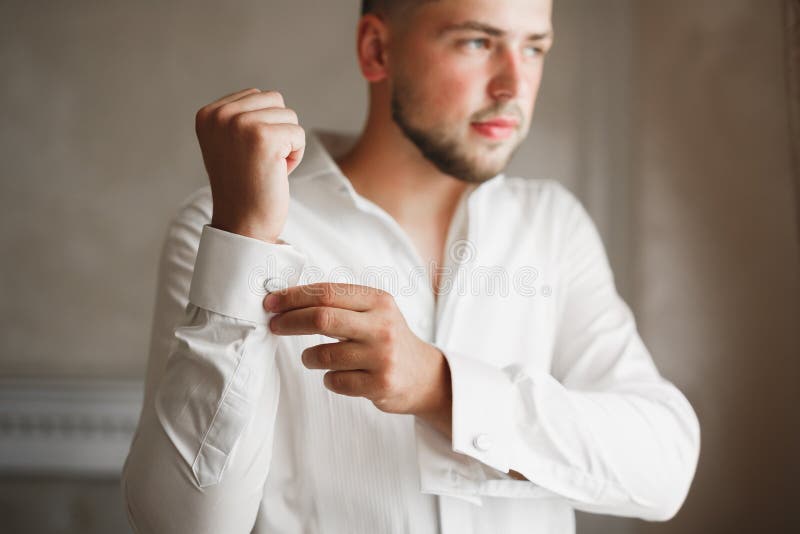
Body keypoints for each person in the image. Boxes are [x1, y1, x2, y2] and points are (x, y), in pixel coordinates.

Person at [121, 0, 701, 532]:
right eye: (477, 42)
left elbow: (663, 468)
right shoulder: (225, 224)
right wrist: (244, 238)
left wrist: (442, 389)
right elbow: (180, 526)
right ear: (378, 50)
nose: (514, 85)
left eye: (534, 47)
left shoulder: (552, 225)